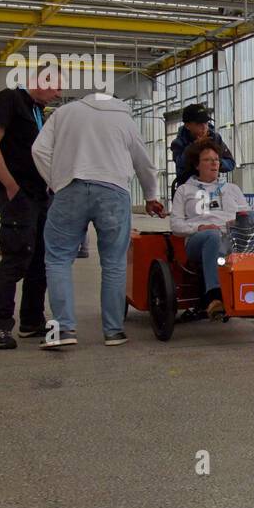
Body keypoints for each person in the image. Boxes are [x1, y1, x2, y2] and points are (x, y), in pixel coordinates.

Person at [33, 91, 164, 349]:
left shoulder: (63, 113)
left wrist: (57, 181)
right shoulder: (124, 119)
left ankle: (63, 330)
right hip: (114, 190)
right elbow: (143, 162)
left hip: (70, 188)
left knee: (58, 259)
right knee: (114, 264)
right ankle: (113, 332)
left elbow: (38, 150)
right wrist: (151, 196)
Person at [0, 76, 62, 350]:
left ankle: (32, 320)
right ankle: (1, 325)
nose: (58, 93)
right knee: (17, 256)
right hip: (19, 192)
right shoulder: (9, 99)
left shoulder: (38, 110)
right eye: (56, 86)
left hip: (41, 194)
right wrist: (9, 185)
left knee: (40, 258)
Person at [170, 139, 253, 319]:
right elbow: (176, 226)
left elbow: (246, 217)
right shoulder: (184, 190)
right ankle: (213, 297)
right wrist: (199, 226)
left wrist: (239, 223)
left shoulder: (232, 189)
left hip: (231, 238)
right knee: (213, 235)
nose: (215, 163)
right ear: (197, 165)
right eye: (208, 160)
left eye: (216, 159)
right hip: (199, 240)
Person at [170, 104, 234, 189]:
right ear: (187, 125)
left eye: (206, 122)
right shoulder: (179, 143)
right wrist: (194, 147)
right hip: (188, 189)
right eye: (199, 124)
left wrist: (216, 162)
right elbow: (181, 164)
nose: (204, 127)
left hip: (213, 188)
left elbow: (231, 163)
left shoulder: (215, 138)